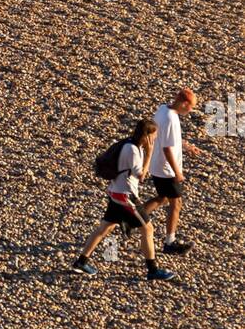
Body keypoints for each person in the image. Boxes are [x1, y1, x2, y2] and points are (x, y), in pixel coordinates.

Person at [73, 119, 174, 279]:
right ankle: (153, 270)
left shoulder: (128, 143)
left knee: (105, 228)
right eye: (153, 136)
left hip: (115, 192)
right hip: (125, 197)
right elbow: (141, 176)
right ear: (147, 136)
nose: (154, 139)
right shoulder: (133, 150)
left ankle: (81, 262)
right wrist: (149, 153)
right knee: (148, 229)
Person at [142, 88, 201, 254]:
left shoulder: (163, 110)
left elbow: (166, 137)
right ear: (184, 103)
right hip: (166, 170)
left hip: (157, 165)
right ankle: (170, 243)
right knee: (176, 203)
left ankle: (132, 219)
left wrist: (186, 146)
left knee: (164, 198)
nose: (191, 111)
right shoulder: (170, 118)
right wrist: (177, 172)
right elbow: (167, 148)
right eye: (191, 107)